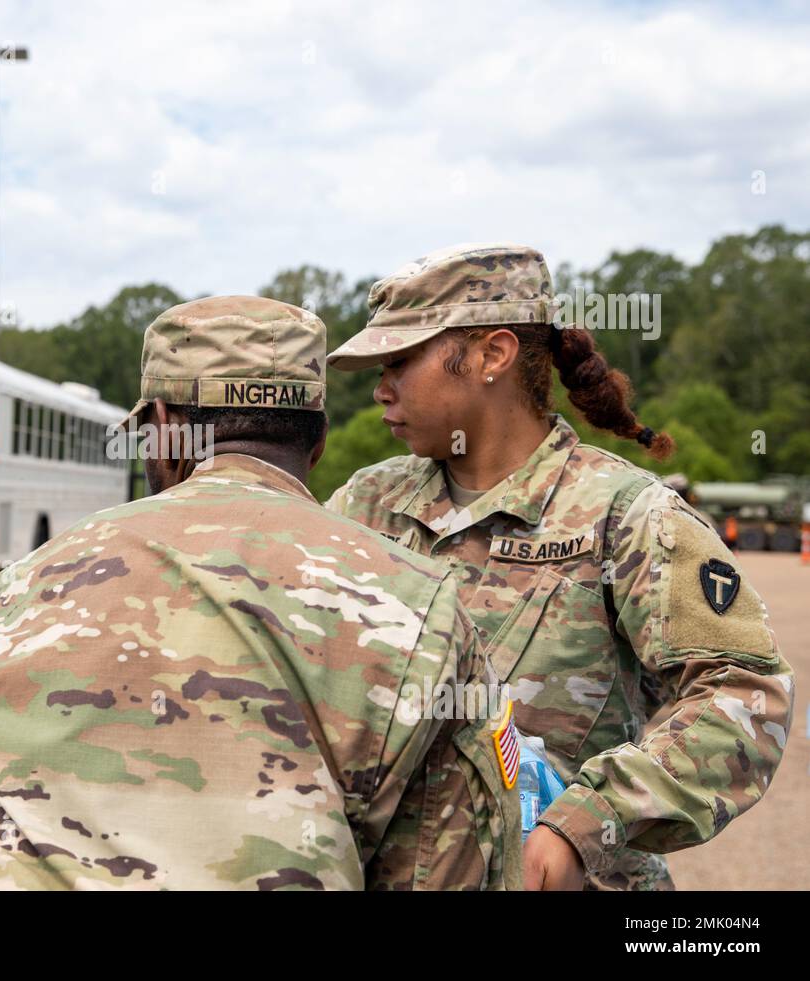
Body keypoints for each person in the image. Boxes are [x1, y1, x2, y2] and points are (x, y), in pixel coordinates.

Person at [0, 295, 520, 891]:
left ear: (163, 427)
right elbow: (443, 865)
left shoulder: (27, 581)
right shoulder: (425, 612)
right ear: (316, 443)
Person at [325, 243, 795, 890]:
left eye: (401, 361)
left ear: (492, 354)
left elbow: (747, 693)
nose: (380, 388)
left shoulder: (625, 516)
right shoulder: (364, 504)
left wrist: (592, 816)